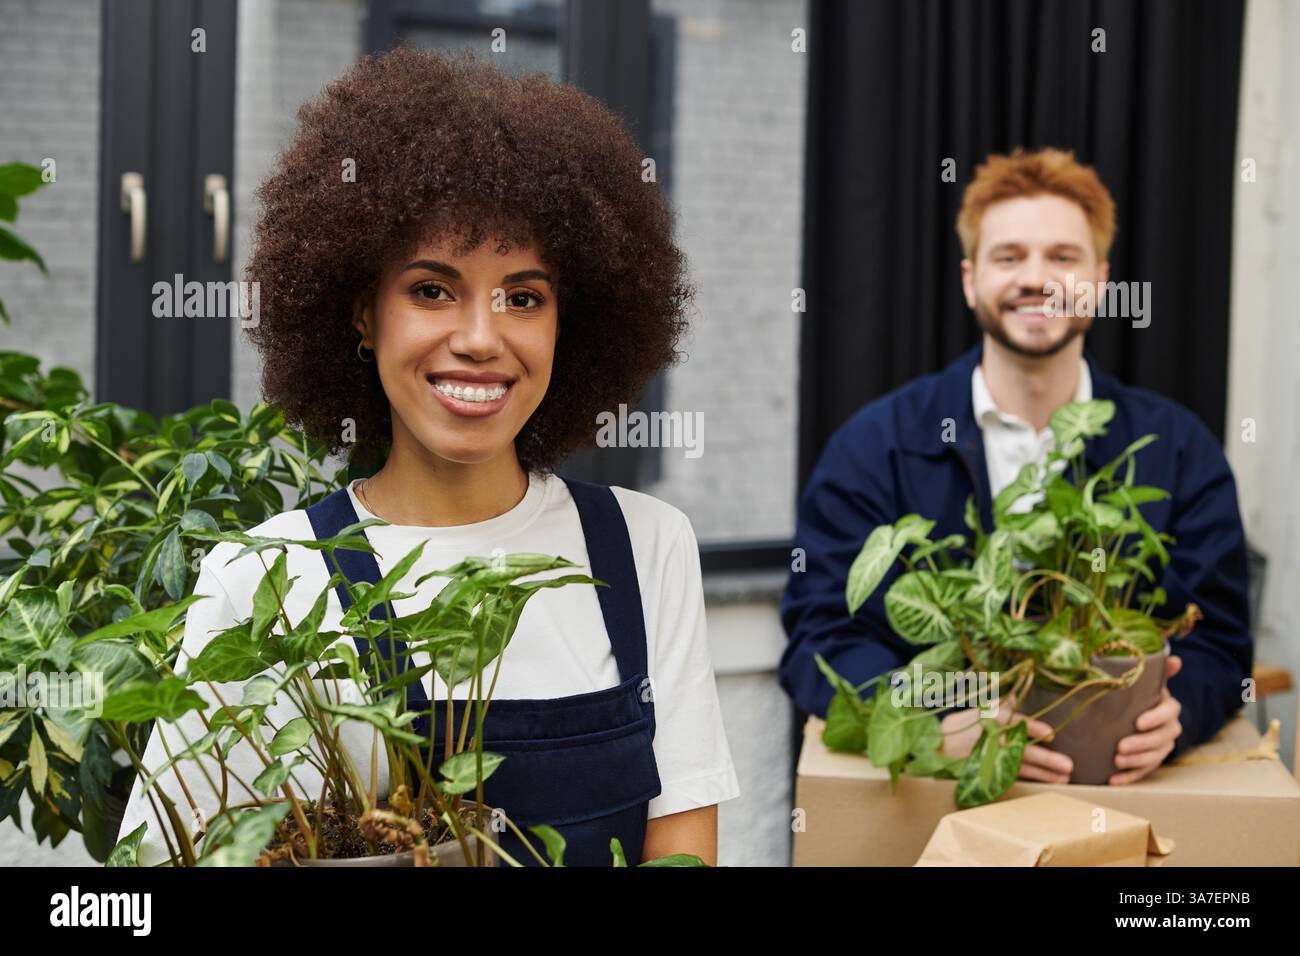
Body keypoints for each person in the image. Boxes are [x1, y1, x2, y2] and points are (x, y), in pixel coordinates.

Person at [117, 46, 738, 866]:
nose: (481, 339)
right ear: (362, 315)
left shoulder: (646, 548)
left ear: (569, 326)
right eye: (431, 290)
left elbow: (681, 843)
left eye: (523, 297)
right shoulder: (262, 575)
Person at [779, 147, 1252, 785]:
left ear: (1101, 279)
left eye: (1063, 257)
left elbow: (1220, 640)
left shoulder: (1176, 447)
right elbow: (820, 639)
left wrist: (1180, 709)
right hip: (937, 805)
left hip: (1121, 798)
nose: (1036, 278)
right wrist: (938, 714)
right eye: (1009, 257)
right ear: (971, 279)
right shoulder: (875, 447)